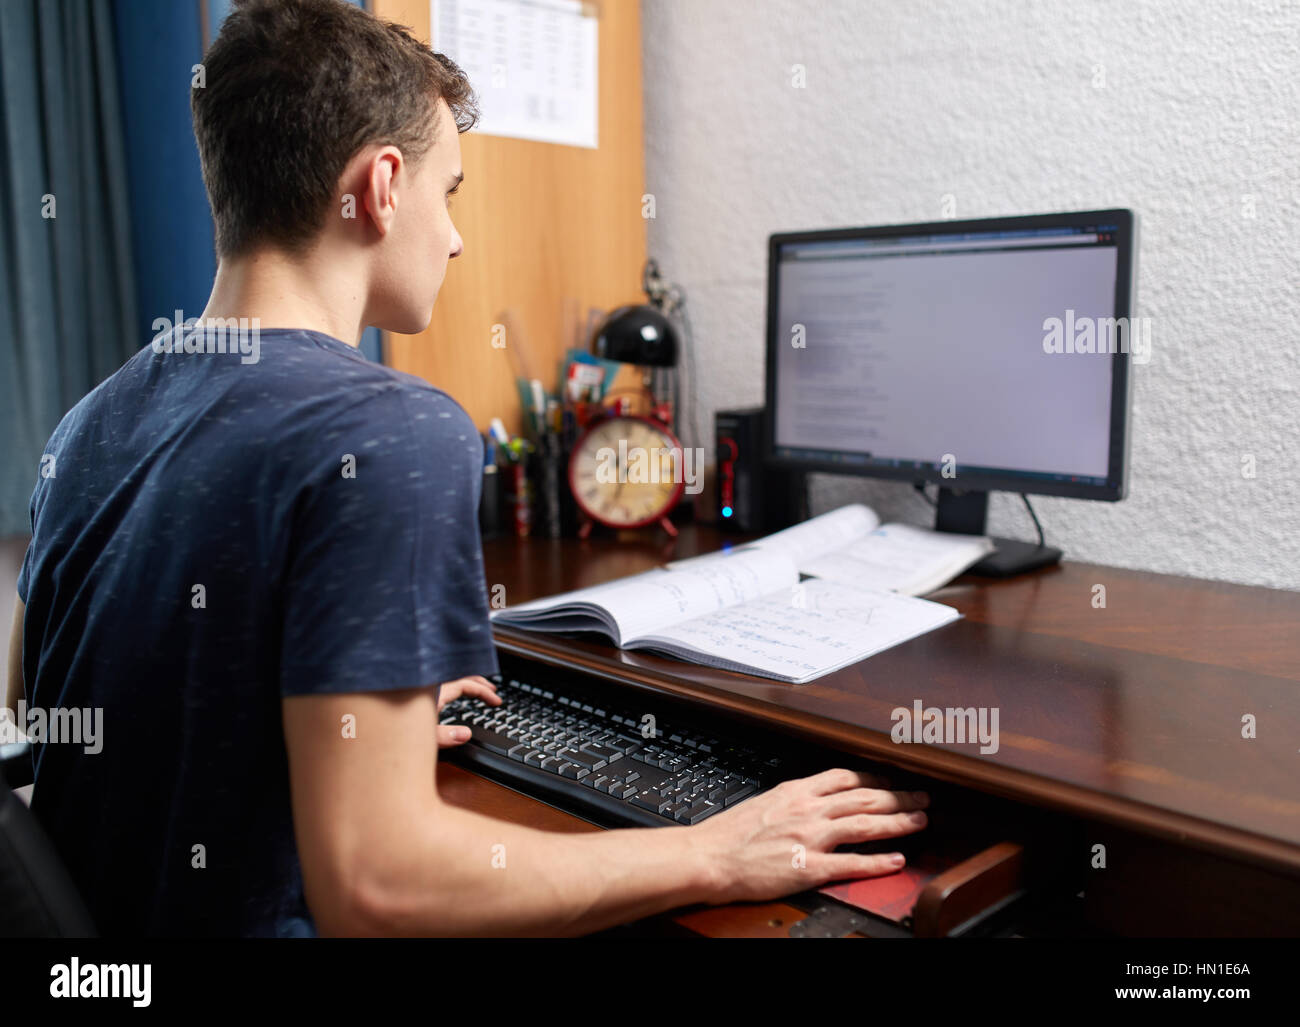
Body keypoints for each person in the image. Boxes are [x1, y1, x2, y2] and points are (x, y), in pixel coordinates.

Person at [4, 0, 928, 936]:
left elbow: (40, 694)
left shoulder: (90, 421)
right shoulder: (392, 429)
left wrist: (352, 701)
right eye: (450, 193)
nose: (453, 238)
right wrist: (717, 850)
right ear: (381, 185)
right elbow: (378, 887)